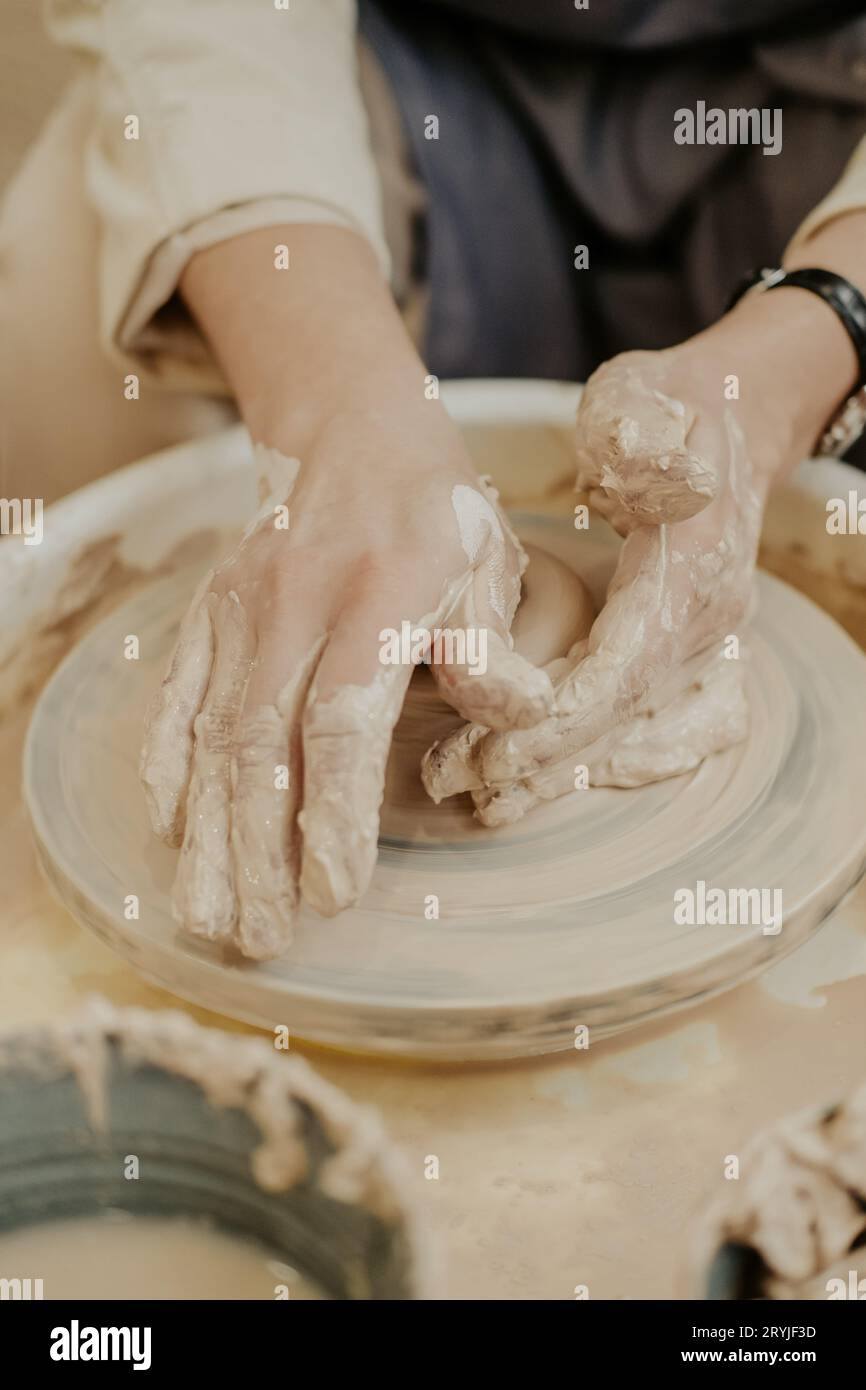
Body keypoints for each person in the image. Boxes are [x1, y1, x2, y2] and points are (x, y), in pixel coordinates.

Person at [3, 1, 866, 954]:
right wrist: (333, 405)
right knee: (56, 296)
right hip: (431, 89)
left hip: (828, 118)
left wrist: (806, 352)